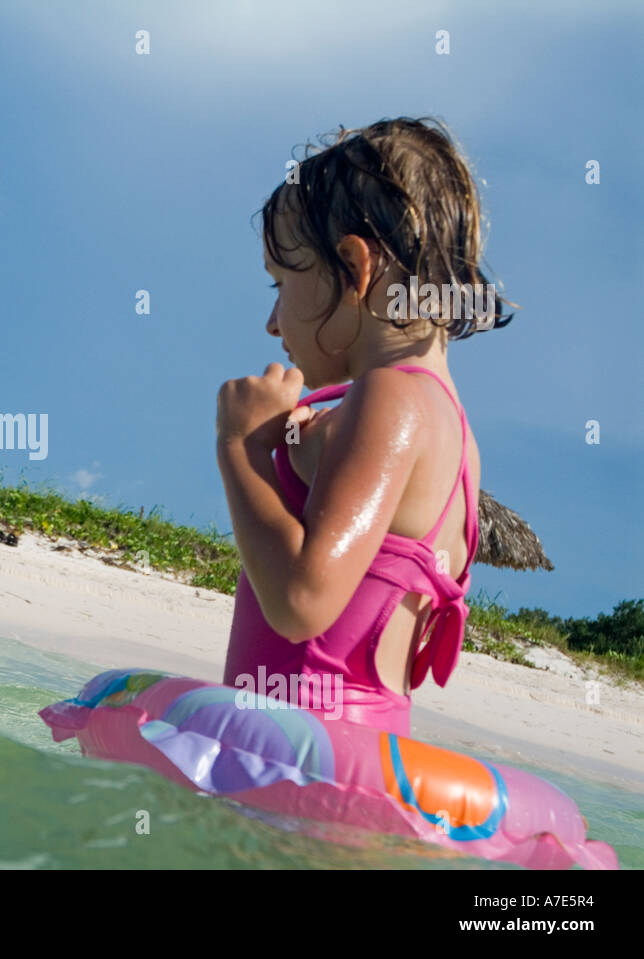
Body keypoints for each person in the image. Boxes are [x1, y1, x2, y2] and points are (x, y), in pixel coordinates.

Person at [216, 117, 509, 735]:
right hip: (350, 758)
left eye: (281, 283)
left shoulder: (391, 402)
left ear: (353, 268)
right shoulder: (444, 424)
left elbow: (301, 602)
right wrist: (296, 438)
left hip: (304, 766)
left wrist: (239, 447)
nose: (273, 322)